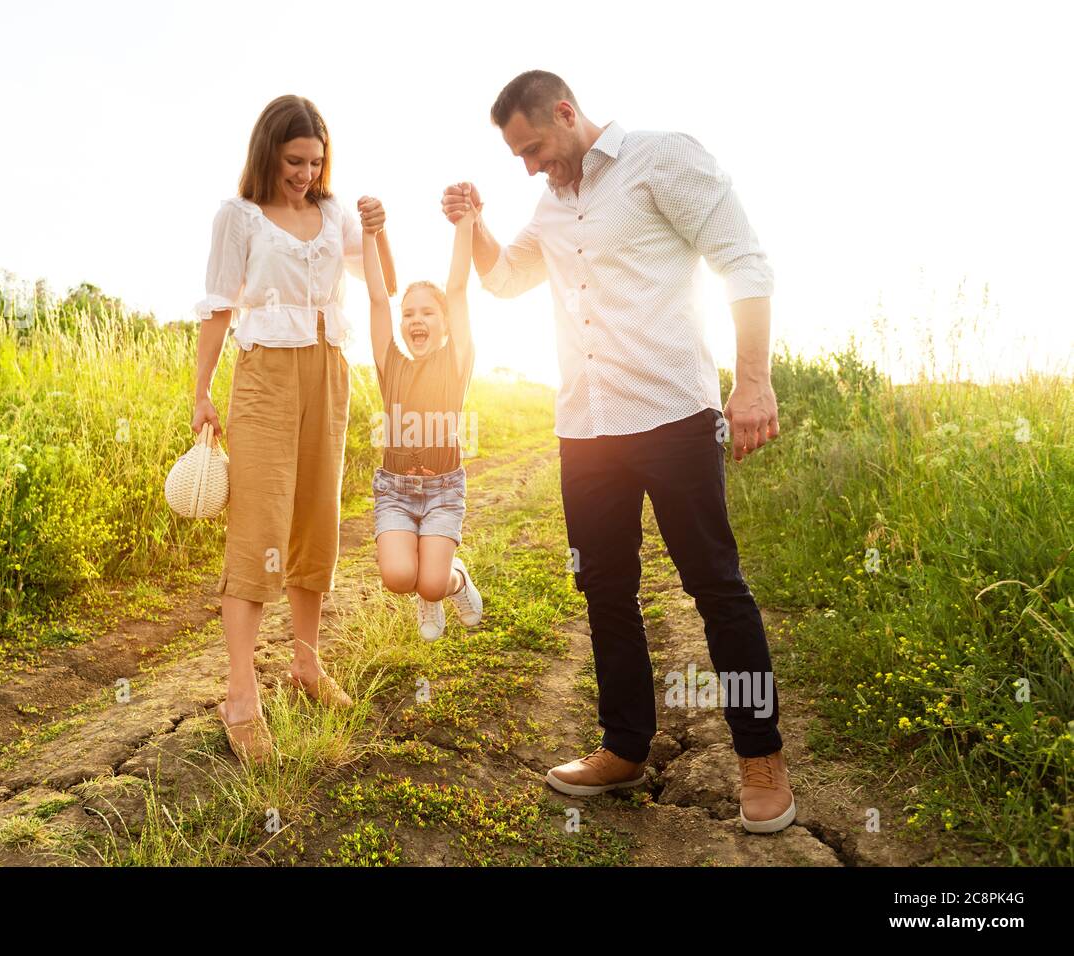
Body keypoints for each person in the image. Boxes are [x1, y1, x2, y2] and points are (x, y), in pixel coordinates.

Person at [441, 70, 794, 833]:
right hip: (585, 429)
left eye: (534, 147)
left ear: (565, 113)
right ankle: (624, 747)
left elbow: (744, 261)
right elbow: (504, 280)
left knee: (716, 587)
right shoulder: (548, 204)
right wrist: (472, 225)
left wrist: (754, 381)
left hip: (672, 414)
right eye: (518, 157)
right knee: (605, 591)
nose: (530, 166)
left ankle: (761, 761)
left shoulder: (663, 158)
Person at [192, 94, 396, 765]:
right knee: (260, 525)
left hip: (330, 371)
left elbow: (382, 284)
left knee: (315, 522)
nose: (306, 173)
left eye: (316, 161)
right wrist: (202, 393)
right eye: (294, 161)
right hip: (265, 377)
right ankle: (241, 695)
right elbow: (219, 308)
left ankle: (307, 667)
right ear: (268, 153)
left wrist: (379, 228)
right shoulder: (240, 217)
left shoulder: (334, 214)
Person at [361, 188, 483, 641]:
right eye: (409, 313)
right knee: (398, 578)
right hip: (394, 490)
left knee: (431, 582)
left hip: (443, 491)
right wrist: (370, 233)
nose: (416, 319)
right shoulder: (389, 362)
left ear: (446, 322)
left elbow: (457, 288)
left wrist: (465, 224)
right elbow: (377, 299)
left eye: (428, 313)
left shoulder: (456, 363)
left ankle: (454, 582)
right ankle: (426, 587)